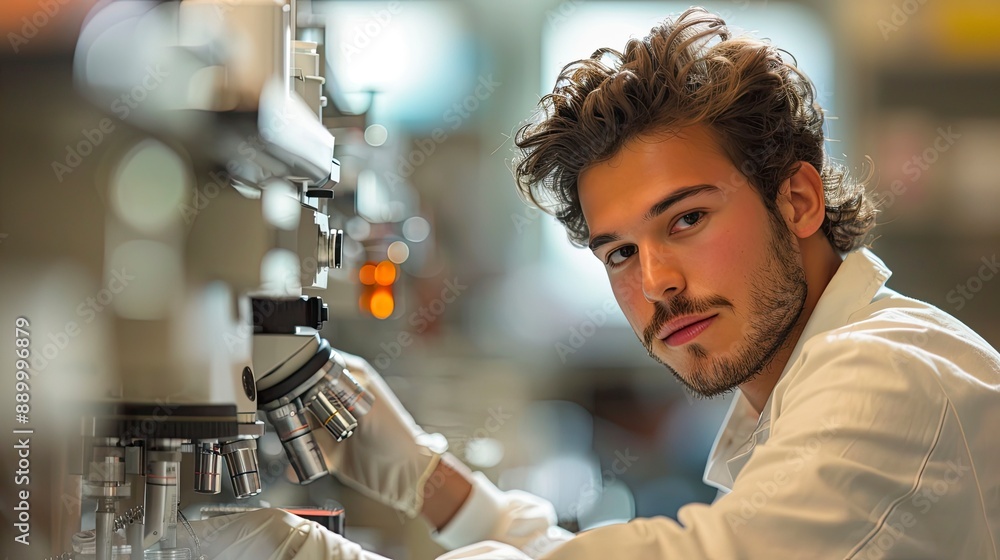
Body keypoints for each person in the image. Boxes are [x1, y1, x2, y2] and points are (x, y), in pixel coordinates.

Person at [180, 7, 1000, 559]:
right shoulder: (809, 383)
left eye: (685, 220)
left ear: (798, 199)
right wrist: (424, 478)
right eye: (618, 253)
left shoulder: (882, 374)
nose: (658, 283)